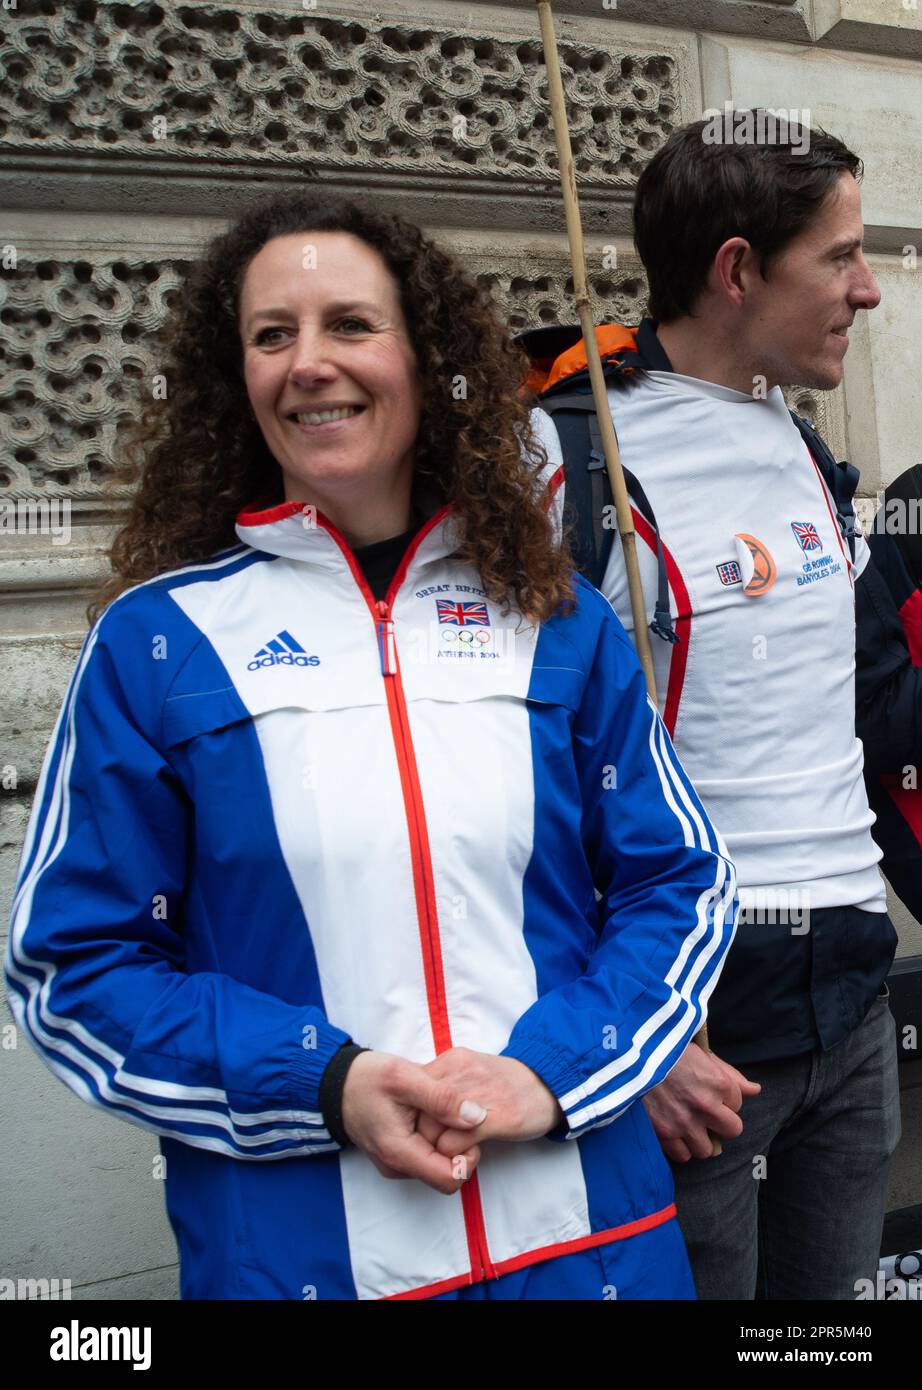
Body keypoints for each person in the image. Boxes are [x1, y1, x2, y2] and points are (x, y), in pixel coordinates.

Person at [4, 194, 737, 1301]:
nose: (309, 363)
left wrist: (552, 1070)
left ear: (424, 357)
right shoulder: (157, 642)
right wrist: (324, 1081)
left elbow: (675, 885)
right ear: (236, 378)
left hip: (593, 1258)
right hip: (303, 1267)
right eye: (270, 334)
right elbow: (74, 966)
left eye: (349, 324)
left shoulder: (561, 619)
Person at [526, 116, 901, 1300]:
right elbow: (504, 778)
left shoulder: (798, 431)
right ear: (736, 270)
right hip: (695, 994)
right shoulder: (570, 449)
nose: (868, 289)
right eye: (837, 257)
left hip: (851, 962)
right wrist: (638, 1035)